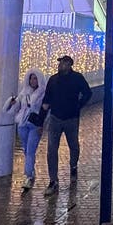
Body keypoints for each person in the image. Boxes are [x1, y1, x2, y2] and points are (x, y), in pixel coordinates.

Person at [42, 55, 92, 196]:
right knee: (52, 149)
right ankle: (53, 180)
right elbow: (47, 98)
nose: (60, 65)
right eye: (59, 63)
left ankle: (73, 166)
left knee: (74, 146)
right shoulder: (53, 79)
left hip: (71, 118)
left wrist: (78, 106)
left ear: (69, 64)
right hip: (55, 118)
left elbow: (88, 93)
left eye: (63, 63)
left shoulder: (77, 78)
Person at [3, 68, 47, 191]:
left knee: (30, 150)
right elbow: (16, 108)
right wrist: (11, 103)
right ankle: (31, 171)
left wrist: (41, 125)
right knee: (26, 149)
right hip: (22, 124)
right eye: (31, 78)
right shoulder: (24, 92)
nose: (33, 81)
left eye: (35, 78)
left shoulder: (43, 93)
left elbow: (45, 111)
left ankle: (28, 176)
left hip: (34, 125)